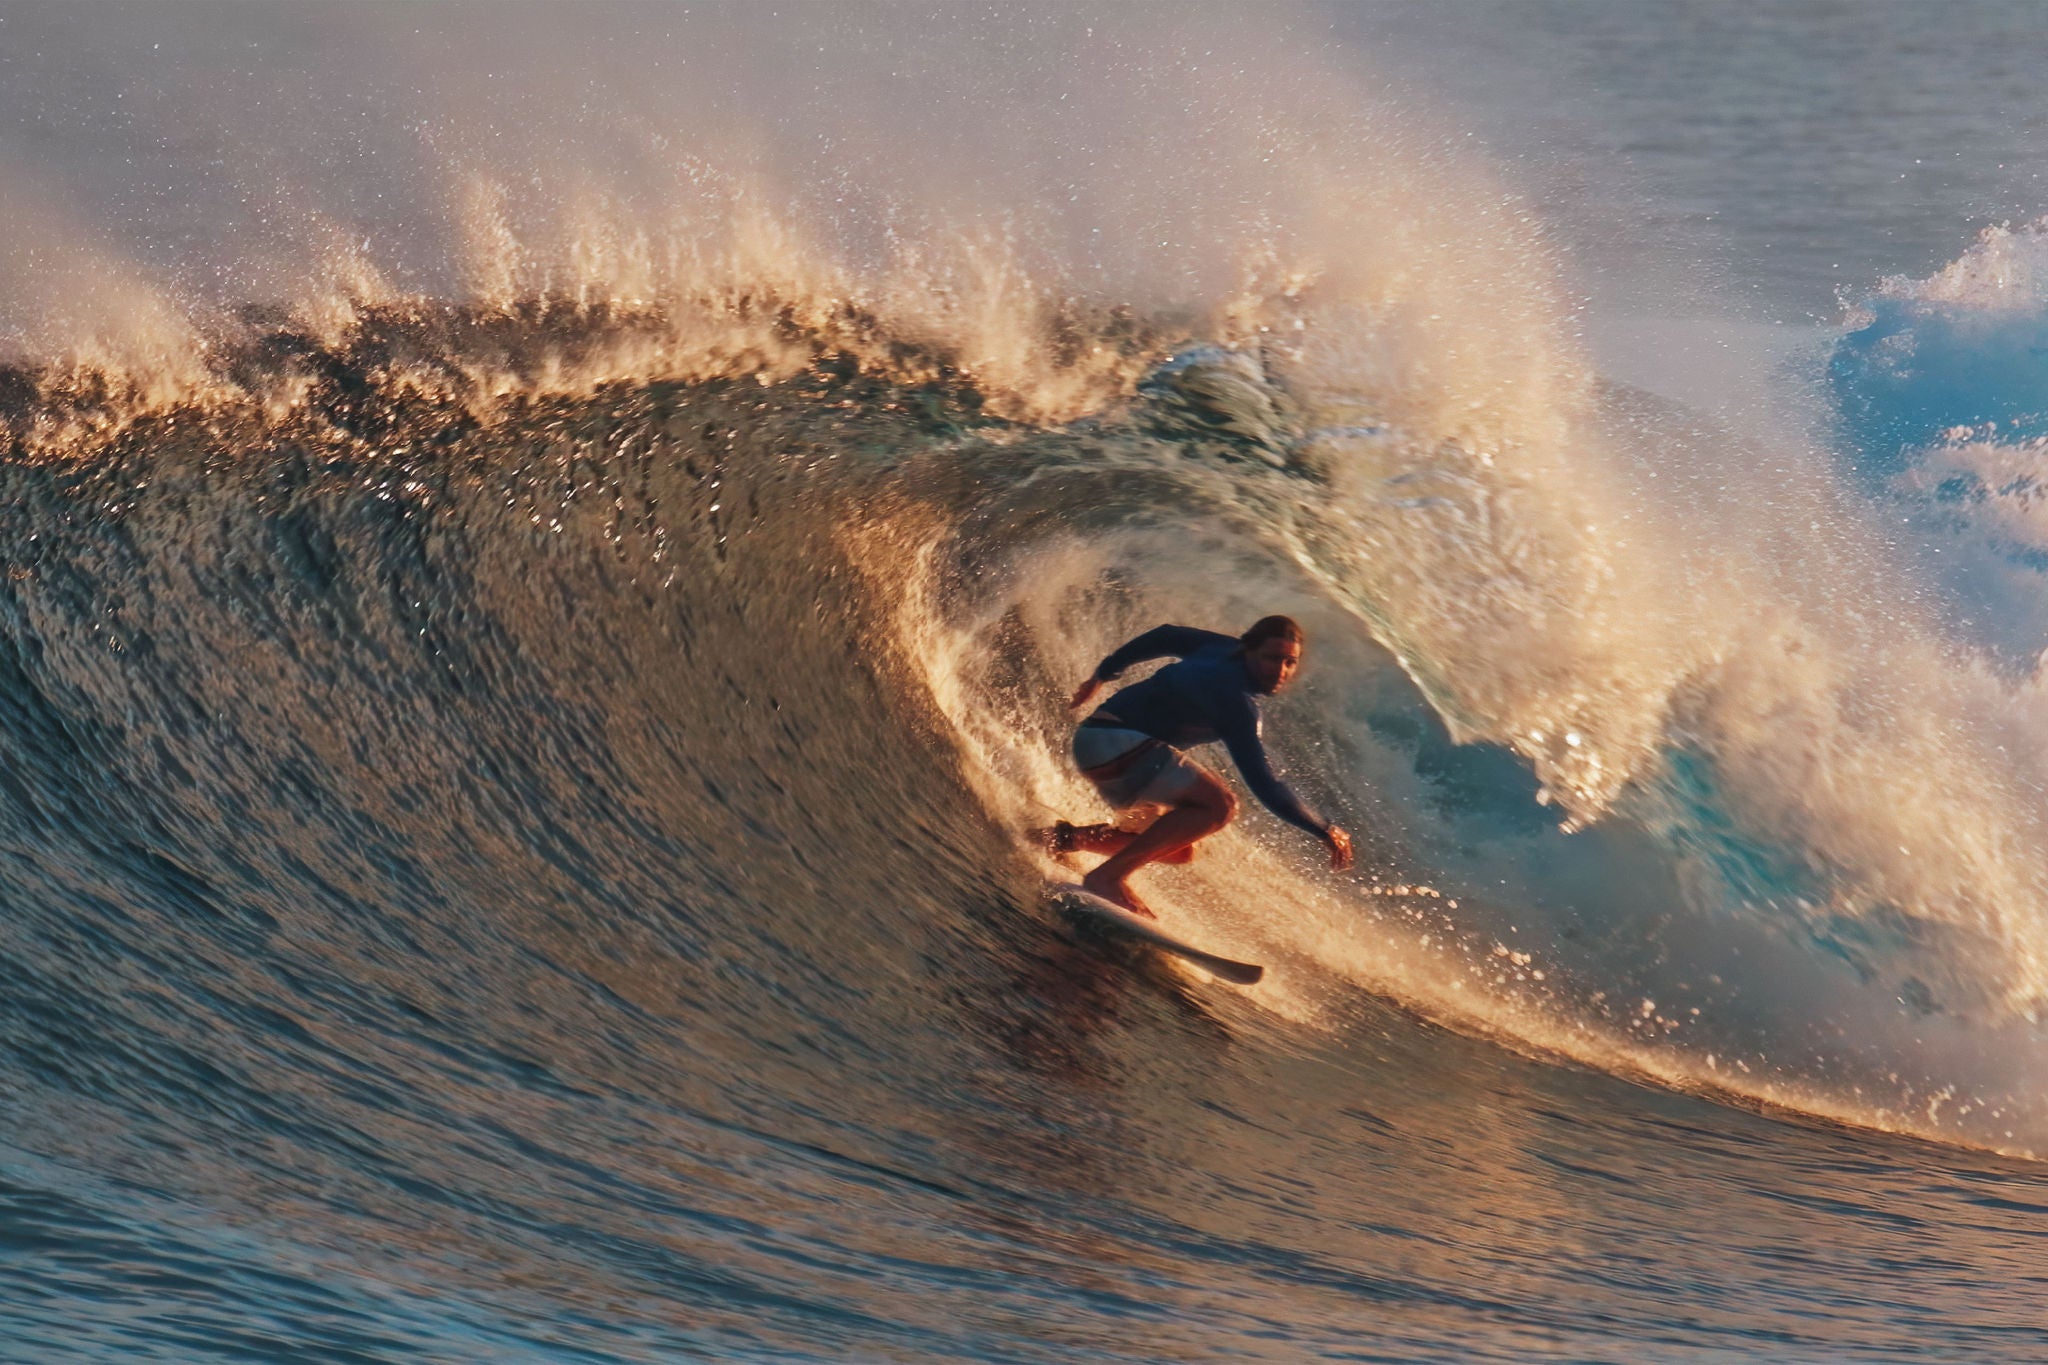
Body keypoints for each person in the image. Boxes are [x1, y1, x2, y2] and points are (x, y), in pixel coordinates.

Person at [1044, 615, 1352, 916]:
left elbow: (1164, 636)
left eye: (1289, 662)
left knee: (1178, 847)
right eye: (1271, 658)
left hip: (1100, 743)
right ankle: (1106, 878)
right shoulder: (1236, 703)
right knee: (1221, 806)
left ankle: (1065, 839)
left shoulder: (1219, 648)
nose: (1280, 671)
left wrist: (1104, 673)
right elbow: (1265, 784)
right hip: (1117, 743)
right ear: (1249, 650)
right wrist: (1324, 829)